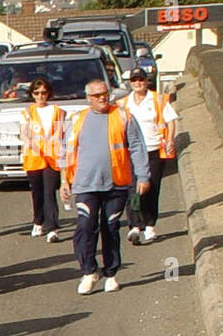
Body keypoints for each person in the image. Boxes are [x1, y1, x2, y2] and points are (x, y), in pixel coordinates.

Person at [60, 80, 151, 295]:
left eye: (105, 93)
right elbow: (66, 151)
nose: (102, 98)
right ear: (89, 98)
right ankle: (89, 271)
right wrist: (64, 180)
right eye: (97, 95)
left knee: (110, 228)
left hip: (116, 184)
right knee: (84, 227)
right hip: (85, 185)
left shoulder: (122, 116)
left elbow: (137, 146)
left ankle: (111, 273)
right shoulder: (77, 119)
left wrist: (143, 175)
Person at [118, 68, 179, 244]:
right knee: (133, 189)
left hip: (153, 150)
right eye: (134, 80)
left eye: (141, 80)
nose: (138, 83)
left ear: (146, 81)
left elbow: (170, 121)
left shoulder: (157, 99)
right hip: (132, 152)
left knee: (151, 188)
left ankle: (150, 224)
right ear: (130, 83)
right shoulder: (123, 103)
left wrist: (169, 139)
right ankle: (135, 225)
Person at [21, 77, 66, 243]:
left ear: (49, 93)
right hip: (33, 157)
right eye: (37, 93)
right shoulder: (27, 112)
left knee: (49, 192)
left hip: (51, 157)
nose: (40, 96)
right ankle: (38, 220)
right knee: (37, 192)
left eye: (44, 92)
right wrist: (30, 143)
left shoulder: (57, 111)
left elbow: (60, 131)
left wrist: (52, 143)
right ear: (32, 94)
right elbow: (24, 132)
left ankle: (52, 228)